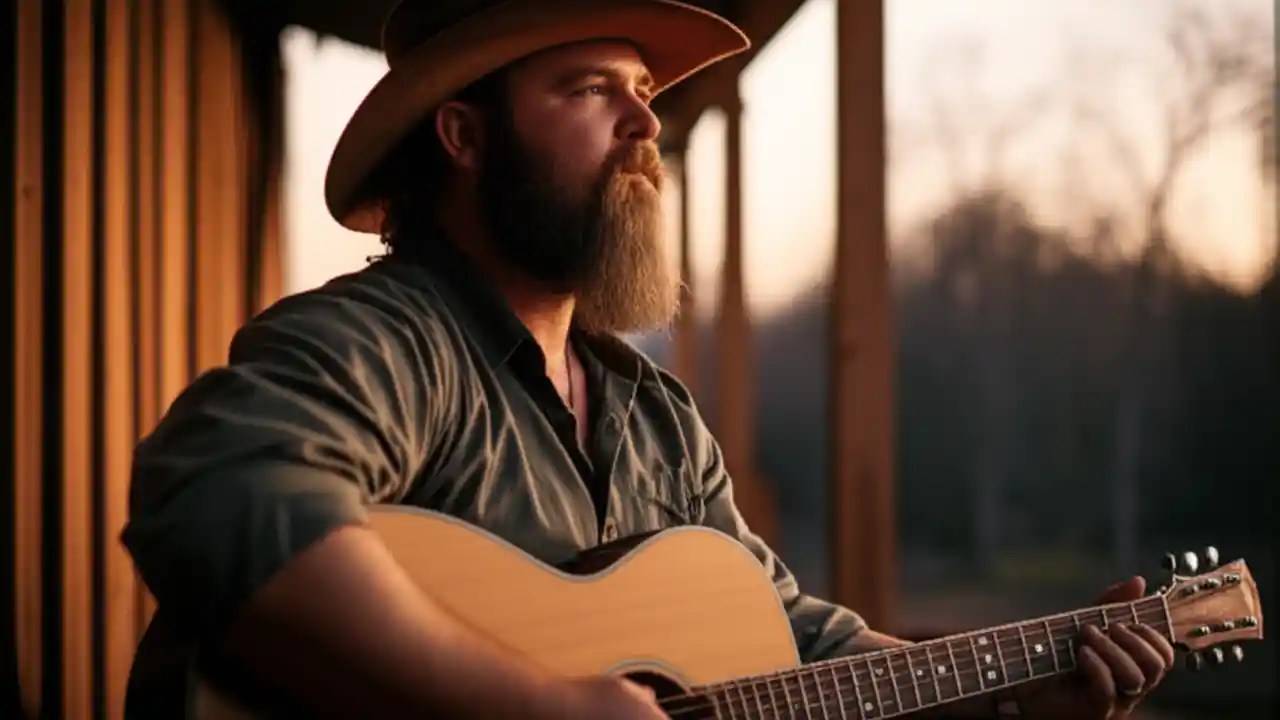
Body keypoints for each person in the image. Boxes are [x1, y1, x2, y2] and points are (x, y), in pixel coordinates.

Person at [121, 0, 1175, 717]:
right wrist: (530, 707)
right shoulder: (387, 341)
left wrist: (1007, 689)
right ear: (462, 137)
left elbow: (786, 638)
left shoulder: (653, 414)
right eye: (589, 90)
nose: (644, 122)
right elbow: (217, 493)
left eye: (641, 91)